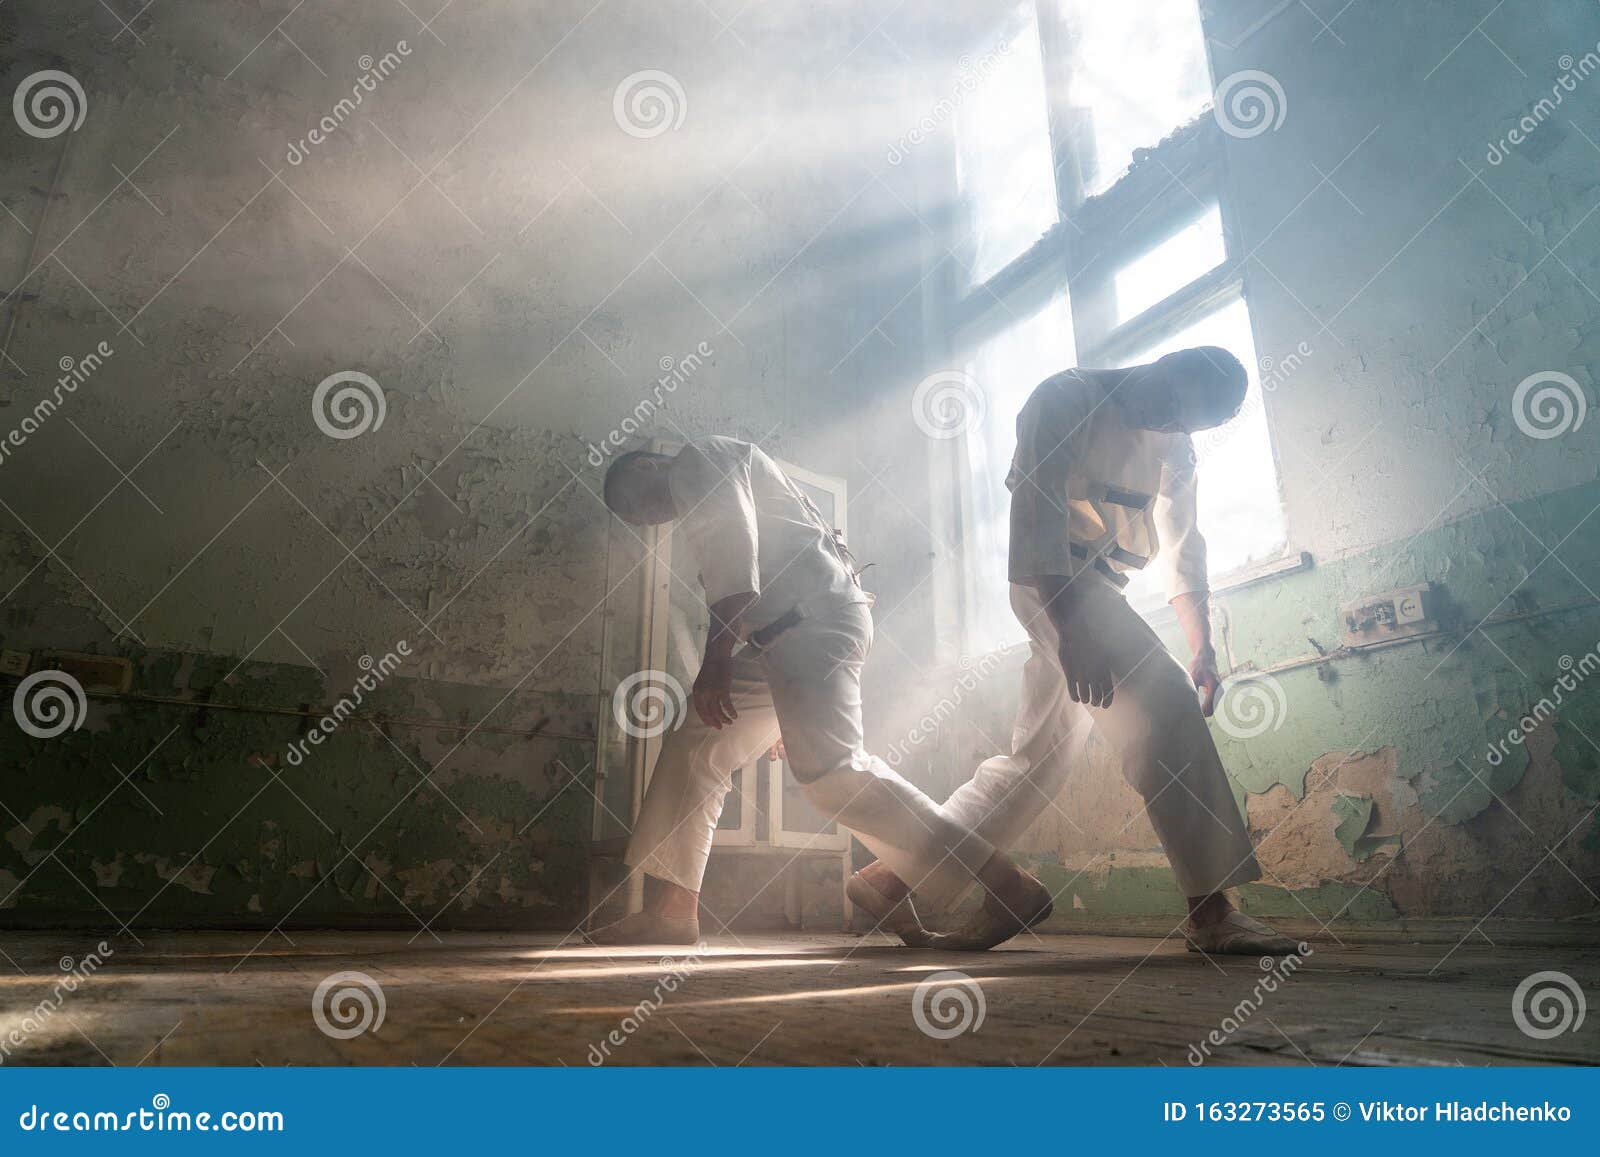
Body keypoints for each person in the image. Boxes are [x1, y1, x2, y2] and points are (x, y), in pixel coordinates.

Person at [854, 347, 1301, 955]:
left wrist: (1204, 647)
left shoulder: (1174, 440)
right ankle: (1212, 912)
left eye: (1182, 422)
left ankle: (888, 878)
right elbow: (1035, 522)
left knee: (1036, 762)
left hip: (1102, 587)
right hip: (1049, 582)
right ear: (1163, 364)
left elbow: (1183, 543)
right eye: (1170, 403)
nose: (1167, 422)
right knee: (1164, 704)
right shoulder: (1063, 398)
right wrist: (1074, 632)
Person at [586, 436, 1051, 946]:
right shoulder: (721, 473)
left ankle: (1007, 886)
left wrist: (716, 660)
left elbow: (734, 562)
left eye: (634, 500)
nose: (645, 517)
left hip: (806, 630)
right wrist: (783, 704)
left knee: (833, 773)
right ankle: (671, 912)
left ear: (651, 464)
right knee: (697, 740)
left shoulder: (697, 461)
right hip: (784, 641)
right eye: (635, 520)